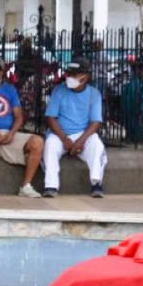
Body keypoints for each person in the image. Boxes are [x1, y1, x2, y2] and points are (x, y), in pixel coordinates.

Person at [0, 55, 44, 197]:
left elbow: (18, 117)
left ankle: (25, 186)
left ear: (0, 73)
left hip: (8, 135)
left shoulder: (9, 90)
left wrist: (12, 133)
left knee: (37, 142)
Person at [42, 58, 107, 198]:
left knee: (96, 143)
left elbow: (96, 122)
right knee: (50, 144)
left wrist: (81, 141)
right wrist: (64, 139)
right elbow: (50, 117)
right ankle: (50, 186)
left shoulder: (94, 94)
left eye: (75, 74)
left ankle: (96, 183)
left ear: (86, 77)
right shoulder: (59, 91)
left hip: (82, 135)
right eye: (69, 74)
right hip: (59, 135)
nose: (70, 77)